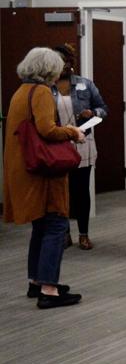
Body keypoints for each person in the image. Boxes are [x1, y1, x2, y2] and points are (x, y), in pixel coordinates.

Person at [3, 47, 86, 309]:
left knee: (40, 226)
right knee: (55, 225)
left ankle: (36, 281)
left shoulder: (21, 91)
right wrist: (72, 132)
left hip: (24, 168)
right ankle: (49, 289)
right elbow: (47, 129)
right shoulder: (40, 92)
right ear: (48, 69)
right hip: (43, 172)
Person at [52, 43, 108, 251]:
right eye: (58, 62)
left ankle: (83, 234)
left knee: (81, 190)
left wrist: (93, 114)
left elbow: (104, 109)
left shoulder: (85, 84)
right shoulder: (45, 87)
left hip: (82, 141)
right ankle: (64, 234)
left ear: (71, 62)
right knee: (60, 191)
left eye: (65, 61)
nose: (63, 66)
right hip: (57, 142)